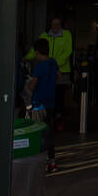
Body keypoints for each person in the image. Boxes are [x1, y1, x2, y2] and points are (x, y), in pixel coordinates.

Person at [25, 38, 59, 172]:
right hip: (51, 103)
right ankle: (52, 162)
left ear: (38, 52)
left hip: (39, 104)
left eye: (36, 54)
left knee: (38, 134)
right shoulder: (53, 63)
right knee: (49, 134)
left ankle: (38, 163)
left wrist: (28, 84)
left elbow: (33, 86)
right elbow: (59, 77)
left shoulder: (39, 67)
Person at [40, 17, 73, 129]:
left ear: (61, 25)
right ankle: (49, 117)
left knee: (59, 95)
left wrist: (53, 64)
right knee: (49, 95)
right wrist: (26, 58)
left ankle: (58, 117)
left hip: (62, 71)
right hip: (48, 71)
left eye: (57, 24)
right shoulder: (45, 35)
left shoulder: (67, 34)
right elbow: (37, 49)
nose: (55, 26)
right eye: (53, 24)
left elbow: (68, 51)